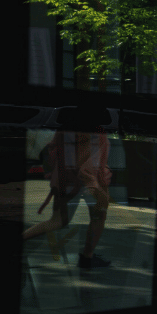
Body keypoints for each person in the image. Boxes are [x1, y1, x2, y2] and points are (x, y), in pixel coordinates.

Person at [22, 106, 113, 268]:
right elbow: (89, 167)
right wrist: (95, 188)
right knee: (98, 218)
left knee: (57, 220)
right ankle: (87, 257)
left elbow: (51, 155)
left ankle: (19, 240)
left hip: (65, 182)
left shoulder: (63, 132)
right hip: (92, 183)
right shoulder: (98, 134)